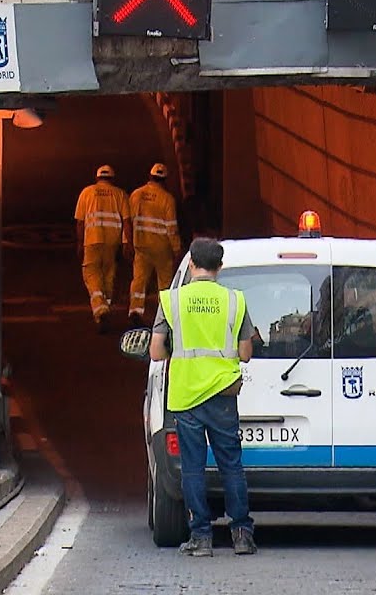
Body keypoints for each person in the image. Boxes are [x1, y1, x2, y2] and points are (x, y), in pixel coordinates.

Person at [149, 238, 257, 557]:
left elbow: (156, 350)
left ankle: (201, 538)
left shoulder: (172, 301)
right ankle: (241, 534)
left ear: (192, 264)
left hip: (186, 397)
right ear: (219, 268)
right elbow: (246, 353)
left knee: (193, 468)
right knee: (231, 466)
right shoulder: (235, 301)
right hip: (223, 394)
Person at [75, 165, 130, 332]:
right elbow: (127, 221)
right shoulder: (120, 194)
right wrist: (127, 243)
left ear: (97, 178)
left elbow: (80, 222)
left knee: (91, 275)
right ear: (112, 179)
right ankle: (104, 308)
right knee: (108, 275)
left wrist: (79, 243)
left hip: (92, 240)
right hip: (112, 243)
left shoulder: (86, 192)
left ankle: (101, 310)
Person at [125, 163, 182, 326]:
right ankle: (163, 316)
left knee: (139, 280)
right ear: (165, 180)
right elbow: (171, 228)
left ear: (150, 177)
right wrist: (177, 249)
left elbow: (129, 221)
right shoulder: (168, 199)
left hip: (141, 246)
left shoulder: (136, 195)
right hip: (162, 249)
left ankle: (135, 311)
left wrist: (127, 243)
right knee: (164, 283)